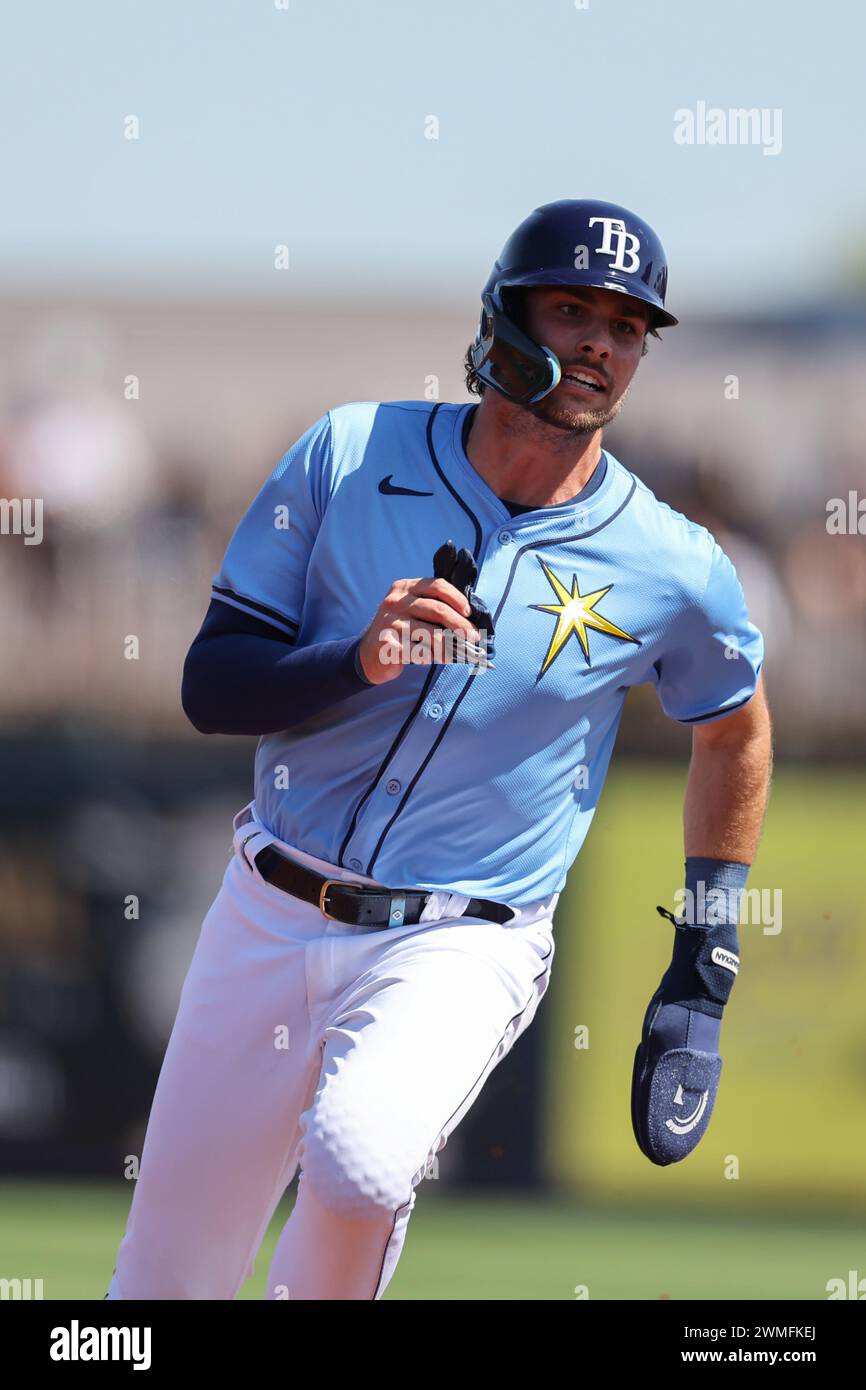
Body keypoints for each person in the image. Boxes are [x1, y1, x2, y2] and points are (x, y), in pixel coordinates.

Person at [106, 199, 772, 1300]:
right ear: (504, 320)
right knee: (158, 1292)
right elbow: (209, 686)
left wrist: (701, 968)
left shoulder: (671, 561)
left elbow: (733, 731)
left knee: (362, 1163)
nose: (601, 344)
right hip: (269, 905)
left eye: (628, 324)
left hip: (461, 938)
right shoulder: (348, 452)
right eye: (572, 310)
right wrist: (354, 658)